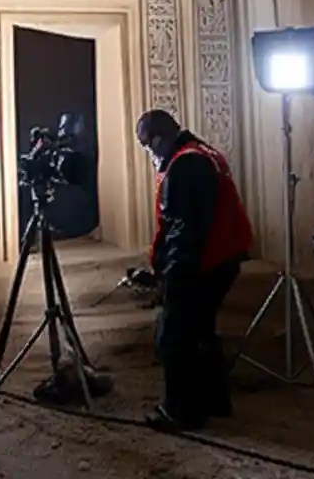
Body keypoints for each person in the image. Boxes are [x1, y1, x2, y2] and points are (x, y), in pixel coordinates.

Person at [135, 109, 253, 431]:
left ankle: (180, 411)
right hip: (220, 259)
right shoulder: (201, 153)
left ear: (159, 137)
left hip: (202, 263)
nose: (149, 153)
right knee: (201, 332)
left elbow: (183, 227)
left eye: (147, 144)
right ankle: (213, 402)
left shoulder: (185, 164)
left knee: (174, 337)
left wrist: (172, 274)